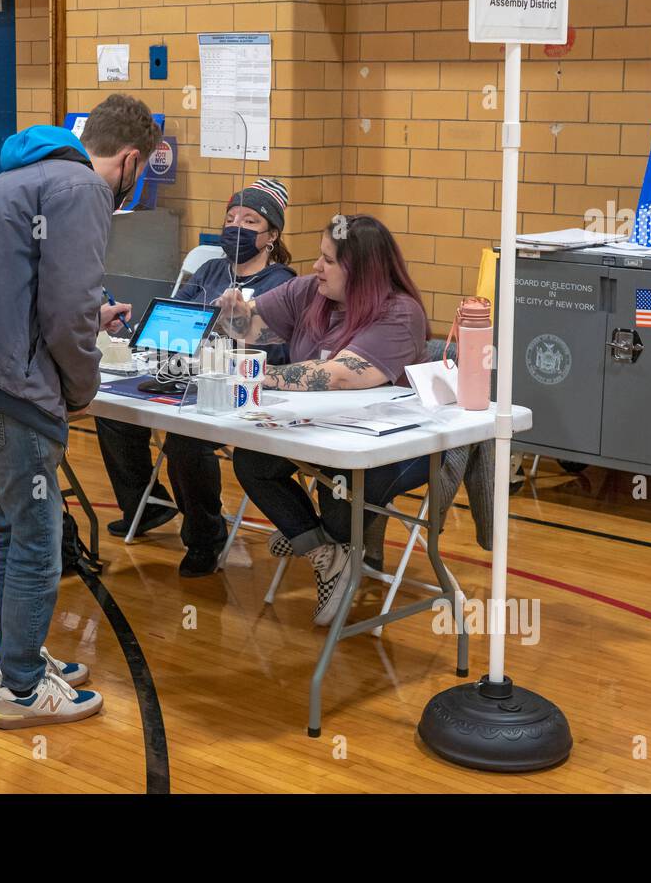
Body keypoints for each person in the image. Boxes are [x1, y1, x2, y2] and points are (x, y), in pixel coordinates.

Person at [0, 94, 162, 729]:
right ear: (131, 160)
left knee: (9, 529)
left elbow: (23, 293)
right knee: (39, 541)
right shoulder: (82, 189)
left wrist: (79, 323)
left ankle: (10, 659)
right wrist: (81, 389)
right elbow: (67, 312)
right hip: (5, 388)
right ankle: (21, 690)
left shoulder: (15, 177)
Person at [220, 214, 431, 625]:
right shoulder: (309, 292)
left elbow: (341, 375)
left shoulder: (400, 313)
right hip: (320, 432)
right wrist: (234, 316)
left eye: (328, 261)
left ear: (361, 272)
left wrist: (258, 376)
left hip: (391, 446)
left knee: (340, 497)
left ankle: (315, 537)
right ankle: (324, 550)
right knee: (252, 460)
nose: (316, 267)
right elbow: (252, 331)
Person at [95, 179, 296, 577]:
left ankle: (205, 535)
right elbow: (175, 316)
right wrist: (138, 336)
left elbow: (275, 349)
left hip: (240, 383)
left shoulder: (281, 283)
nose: (236, 225)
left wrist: (234, 323)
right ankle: (146, 505)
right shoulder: (209, 269)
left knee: (186, 440)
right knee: (113, 414)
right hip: (182, 370)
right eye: (231, 217)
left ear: (272, 235)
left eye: (251, 220)